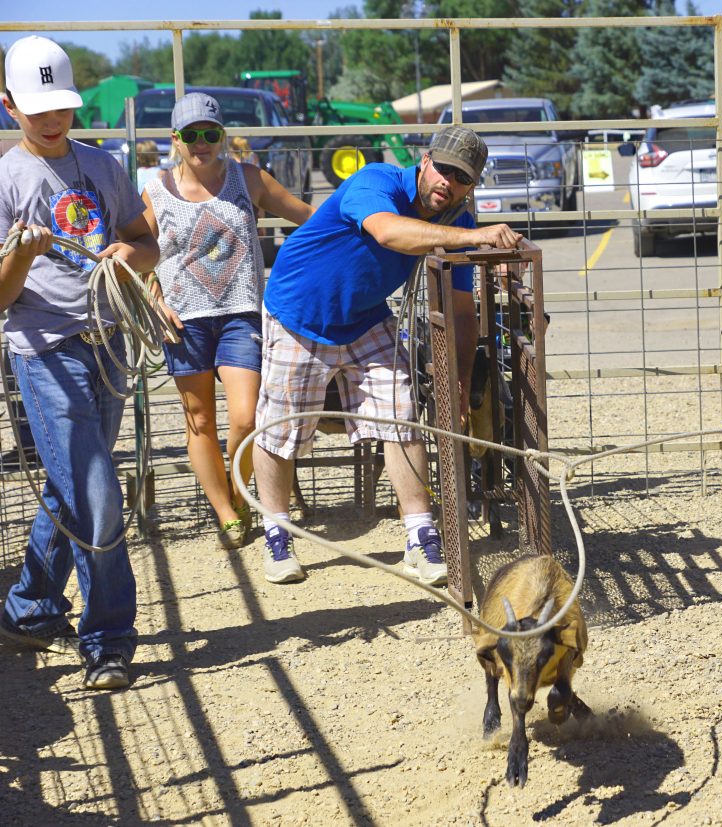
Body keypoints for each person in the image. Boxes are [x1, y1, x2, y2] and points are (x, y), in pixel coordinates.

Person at [251, 125, 522, 585]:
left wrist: (458, 377)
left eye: (462, 178)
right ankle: (275, 531)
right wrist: (472, 238)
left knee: (402, 415)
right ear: (425, 162)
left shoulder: (458, 222)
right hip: (298, 312)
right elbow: (387, 231)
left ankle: (420, 535)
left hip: (364, 318)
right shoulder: (376, 180)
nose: (448, 183)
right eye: (444, 169)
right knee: (282, 426)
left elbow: (460, 307)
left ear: (472, 186)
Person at [0, 36, 160, 689]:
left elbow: (144, 240)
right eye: (37, 108)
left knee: (74, 485)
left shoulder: (105, 166)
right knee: (97, 489)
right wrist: (22, 255)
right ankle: (109, 637)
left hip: (109, 338)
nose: (50, 118)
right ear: (9, 106)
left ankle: (29, 606)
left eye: (59, 105)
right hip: (45, 348)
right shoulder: (7, 180)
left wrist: (130, 257)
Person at [141, 93, 314, 550]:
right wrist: (152, 297)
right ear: (175, 139)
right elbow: (134, 252)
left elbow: (307, 217)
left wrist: (365, 223)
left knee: (245, 416)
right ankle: (227, 515)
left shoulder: (249, 178)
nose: (202, 143)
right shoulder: (156, 191)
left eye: (210, 133)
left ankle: (239, 496)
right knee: (199, 419)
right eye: (192, 135)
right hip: (185, 320)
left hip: (240, 313)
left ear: (222, 136)